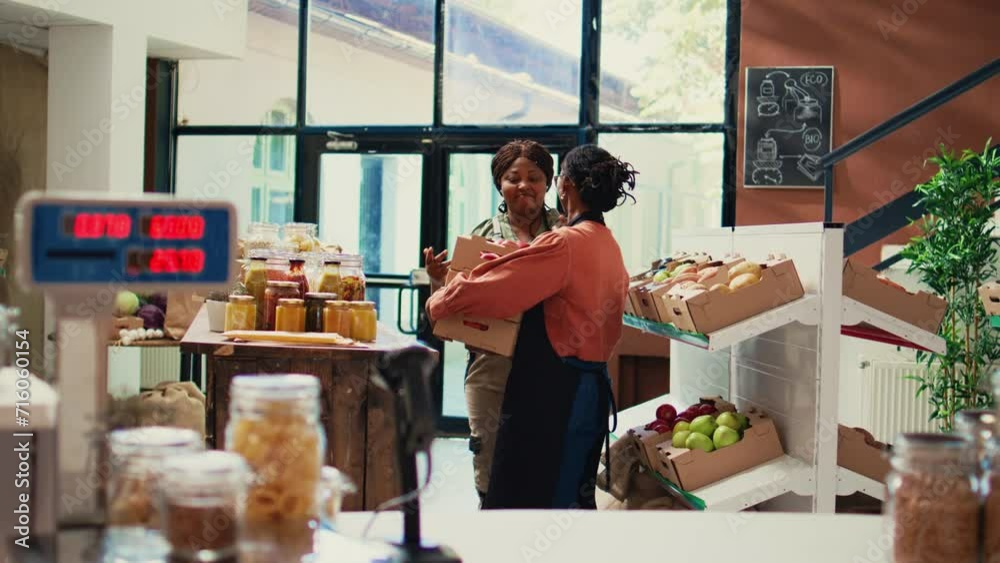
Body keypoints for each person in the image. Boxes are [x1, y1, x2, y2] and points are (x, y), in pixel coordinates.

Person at [426, 144, 638, 509]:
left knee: (524, 504)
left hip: (554, 396)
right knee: (569, 497)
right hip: (591, 391)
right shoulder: (608, 243)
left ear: (562, 185)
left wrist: (439, 300)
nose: (525, 186)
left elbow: (498, 289)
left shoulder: (562, 242)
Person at [423, 140, 562, 507]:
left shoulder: (564, 234)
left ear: (548, 182)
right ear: (499, 184)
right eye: (512, 177)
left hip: (551, 371)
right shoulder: (482, 235)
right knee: (489, 460)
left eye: (534, 177)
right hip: (491, 370)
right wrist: (440, 280)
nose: (524, 185)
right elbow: (453, 310)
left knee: (541, 465)